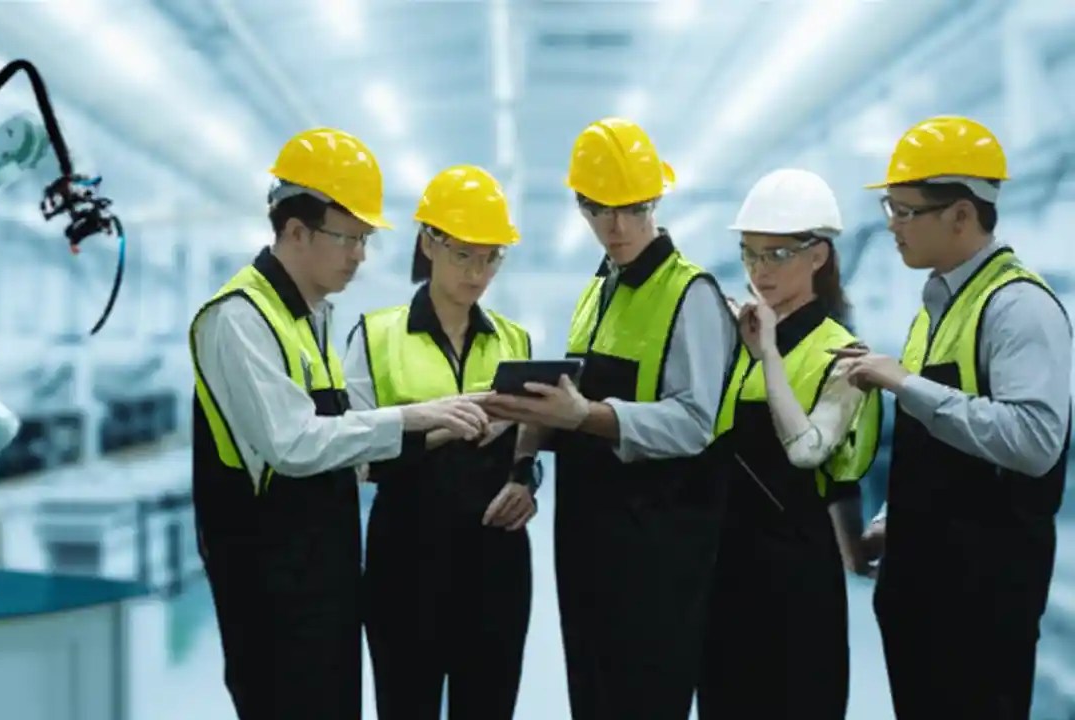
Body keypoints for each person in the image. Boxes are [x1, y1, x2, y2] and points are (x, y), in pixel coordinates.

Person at [189, 127, 491, 720]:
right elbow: (295, 444)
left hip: (319, 575)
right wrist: (411, 416)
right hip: (269, 585)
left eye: (365, 240)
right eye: (349, 238)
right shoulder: (239, 318)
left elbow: (339, 441)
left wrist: (445, 427)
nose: (359, 255)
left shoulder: (312, 317)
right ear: (295, 231)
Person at [478, 117, 738, 720]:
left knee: (642, 698)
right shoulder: (598, 292)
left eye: (632, 208)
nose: (616, 227)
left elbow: (695, 422)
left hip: (656, 551)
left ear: (656, 200)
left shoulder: (689, 293)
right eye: (598, 210)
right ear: (579, 205)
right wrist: (525, 442)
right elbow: (573, 402)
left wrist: (587, 414)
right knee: (592, 693)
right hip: (590, 540)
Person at [835, 115, 1071, 719]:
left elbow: (1035, 440)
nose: (891, 225)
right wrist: (895, 518)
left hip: (982, 601)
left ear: (962, 214)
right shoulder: (936, 308)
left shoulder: (1018, 308)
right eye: (890, 208)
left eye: (905, 211)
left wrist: (905, 383)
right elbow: (928, 440)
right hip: (924, 587)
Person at [343, 164, 539, 720]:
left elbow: (529, 437)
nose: (478, 273)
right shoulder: (375, 336)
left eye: (491, 258)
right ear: (428, 242)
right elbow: (355, 457)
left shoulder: (514, 339)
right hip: (407, 562)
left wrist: (526, 480)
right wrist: (435, 429)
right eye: (463, 255)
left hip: (497, 565)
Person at [695, 168, 882, 720]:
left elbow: (809, 452)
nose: (758, 270)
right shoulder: (739, 339)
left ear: (818, 256)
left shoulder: (845, 356)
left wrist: (768, 355)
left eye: (776, 255)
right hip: (727, 564)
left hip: (794, 571)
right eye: (750, 254)